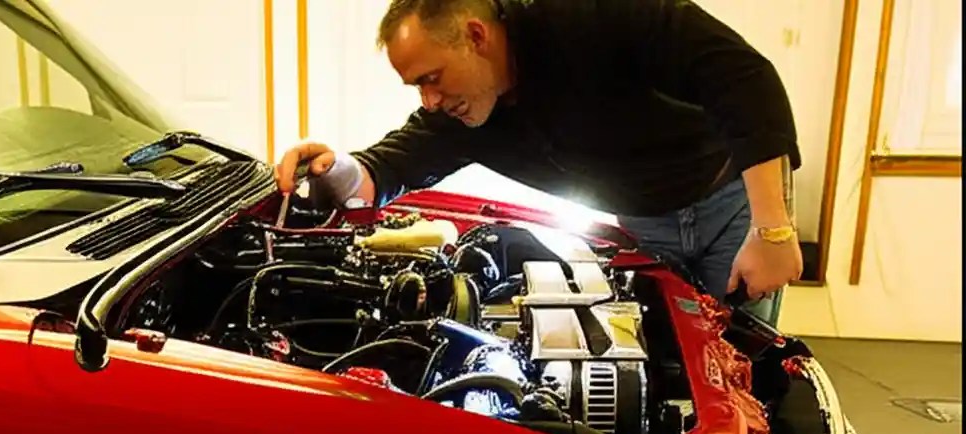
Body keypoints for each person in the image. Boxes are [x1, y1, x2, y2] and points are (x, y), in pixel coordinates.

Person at [275, 0, 803, 325]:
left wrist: (772, 228)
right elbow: (384, 171)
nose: (428, 101)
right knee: (680, 364)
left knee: (747, 370)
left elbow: (743, 78)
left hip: (733, 202)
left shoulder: (591, 17)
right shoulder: (464, 117)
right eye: (416, 87)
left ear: (476, 36)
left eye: (431, 78)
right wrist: (333, 167)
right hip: (646, 222)